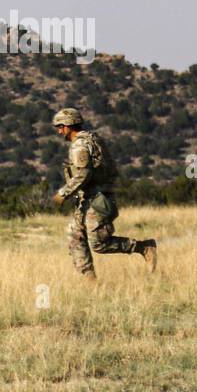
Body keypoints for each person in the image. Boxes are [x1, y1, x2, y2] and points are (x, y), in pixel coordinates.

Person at [51, 107, 156, 279]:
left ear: (69, 125)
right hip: (89, 198)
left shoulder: (80, 145)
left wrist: (63, 193)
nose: (58, 130)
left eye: (60, 126)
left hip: (97, 199)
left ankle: (143, 247)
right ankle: (90, 282)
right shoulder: (91, 139)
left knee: (99, 244)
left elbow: (83, 174)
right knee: (74, 234)